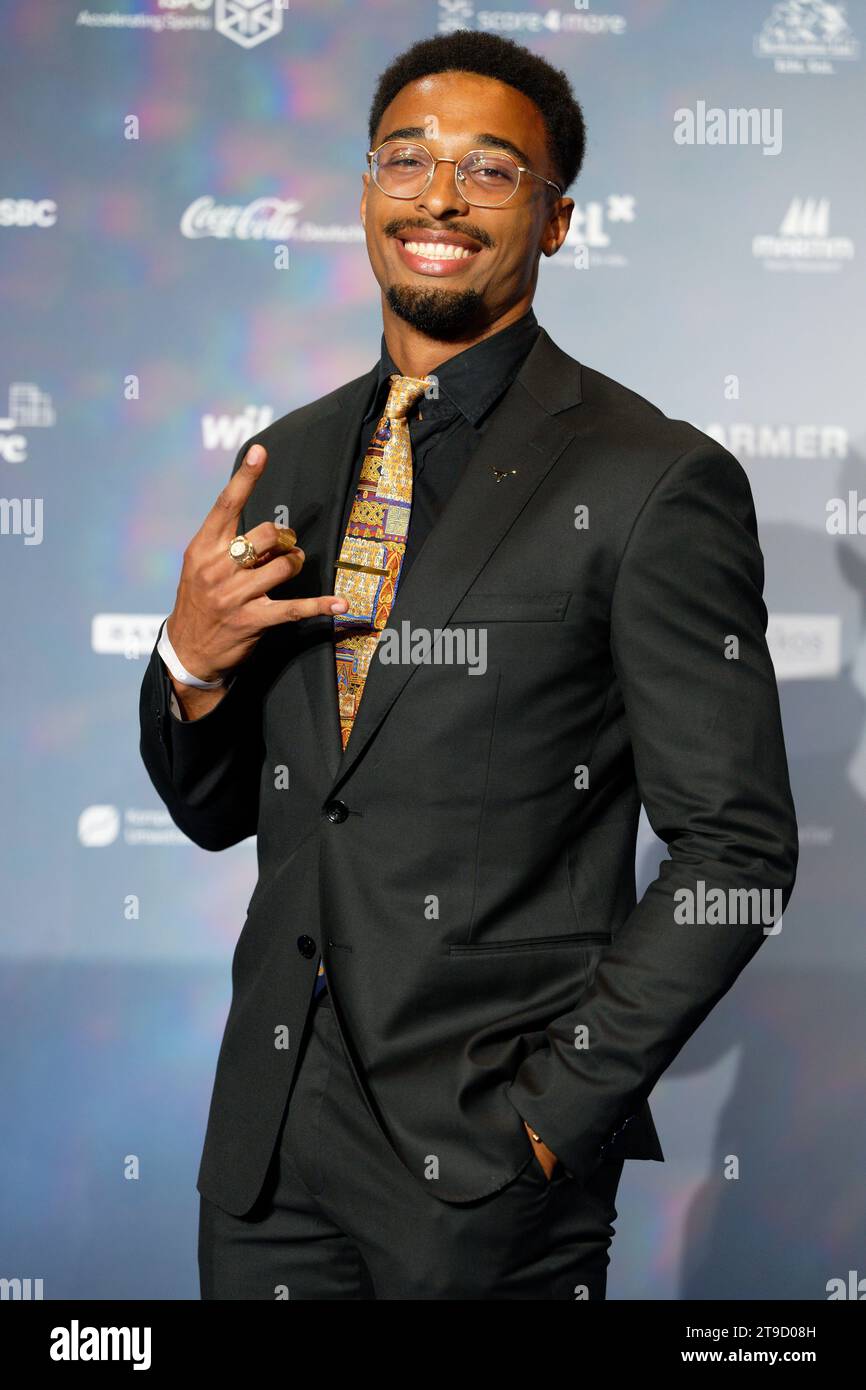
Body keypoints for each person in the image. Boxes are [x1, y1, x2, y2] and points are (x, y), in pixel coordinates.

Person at [139, 31, 798, 1300]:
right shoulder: (290, 454)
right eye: (406, 159)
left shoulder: (647, 478)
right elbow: (221, 811)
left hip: (488, 1166)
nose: (437, 196)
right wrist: (192, 664)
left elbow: (736, 852)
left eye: (489, 172)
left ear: (554, 221)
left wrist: (552, 1113)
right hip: (268, 1154)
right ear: (367, 191)